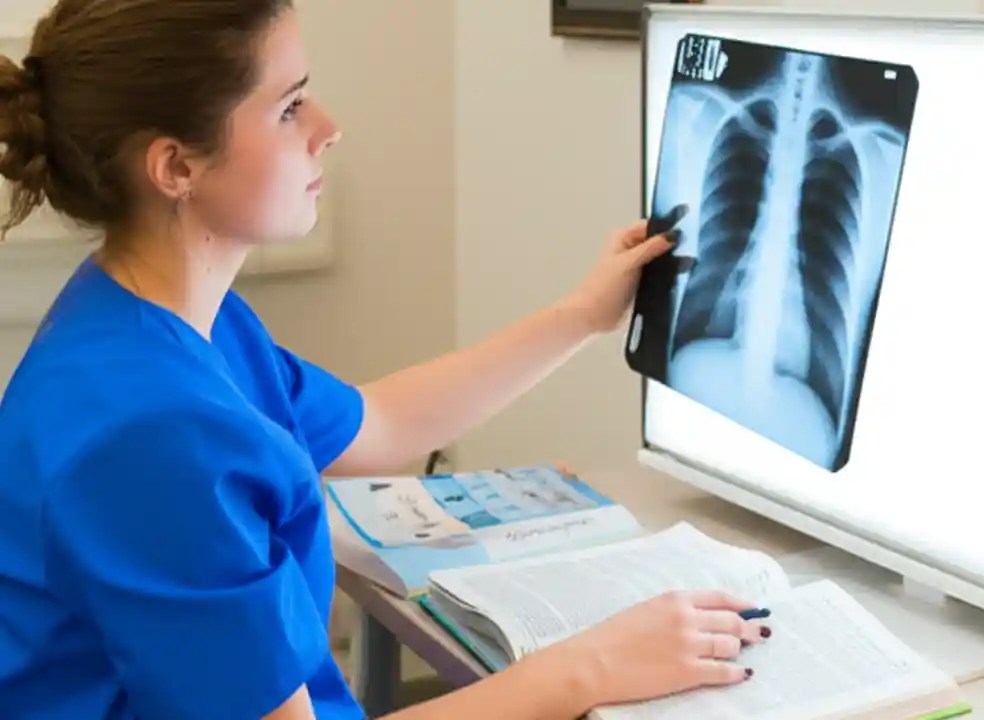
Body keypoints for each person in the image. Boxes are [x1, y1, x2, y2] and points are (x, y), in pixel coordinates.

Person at [0, 2, 768, 719]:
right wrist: (590, 666)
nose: (329, 128)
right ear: (175, 167)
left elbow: (383, 423)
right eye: (290, 106)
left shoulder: (166, 322)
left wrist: (584, 316)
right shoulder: (148, 430)